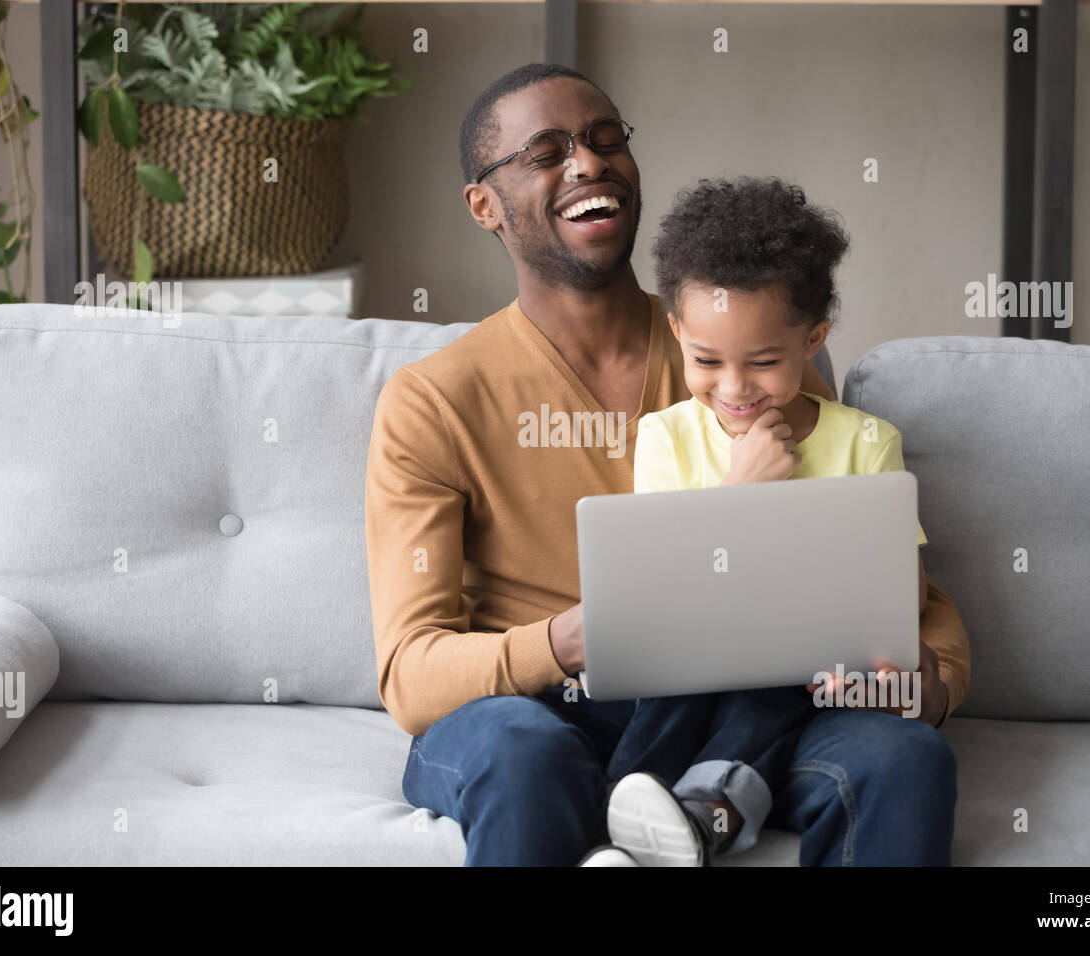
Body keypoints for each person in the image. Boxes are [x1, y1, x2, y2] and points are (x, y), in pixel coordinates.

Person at [364, 62, 970, 866]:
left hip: (741, 709)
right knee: (523, 755)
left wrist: (928, 685)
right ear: (486, 205)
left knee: (905, 760)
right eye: (546, 152)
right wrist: (570, 642)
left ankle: (697, 807)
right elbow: (411, 673)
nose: (588, 162)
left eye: (605, 137)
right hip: (542, 711)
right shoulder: (432, 401)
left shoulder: (746, 353)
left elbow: (893, 590)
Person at [587, 176, 932, 866]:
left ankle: (696, 818)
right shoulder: (666, 438)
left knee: (780, 673)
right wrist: (739, 490)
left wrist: (872, 652)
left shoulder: (866, 442)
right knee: (677, 677)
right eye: (706, 360)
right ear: (677, 332)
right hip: (687, 653)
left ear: (814, 339)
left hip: (804, 668)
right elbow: (659, 594)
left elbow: (907, 589)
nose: (735, 389)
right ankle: (631, 811)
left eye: (766, 362)